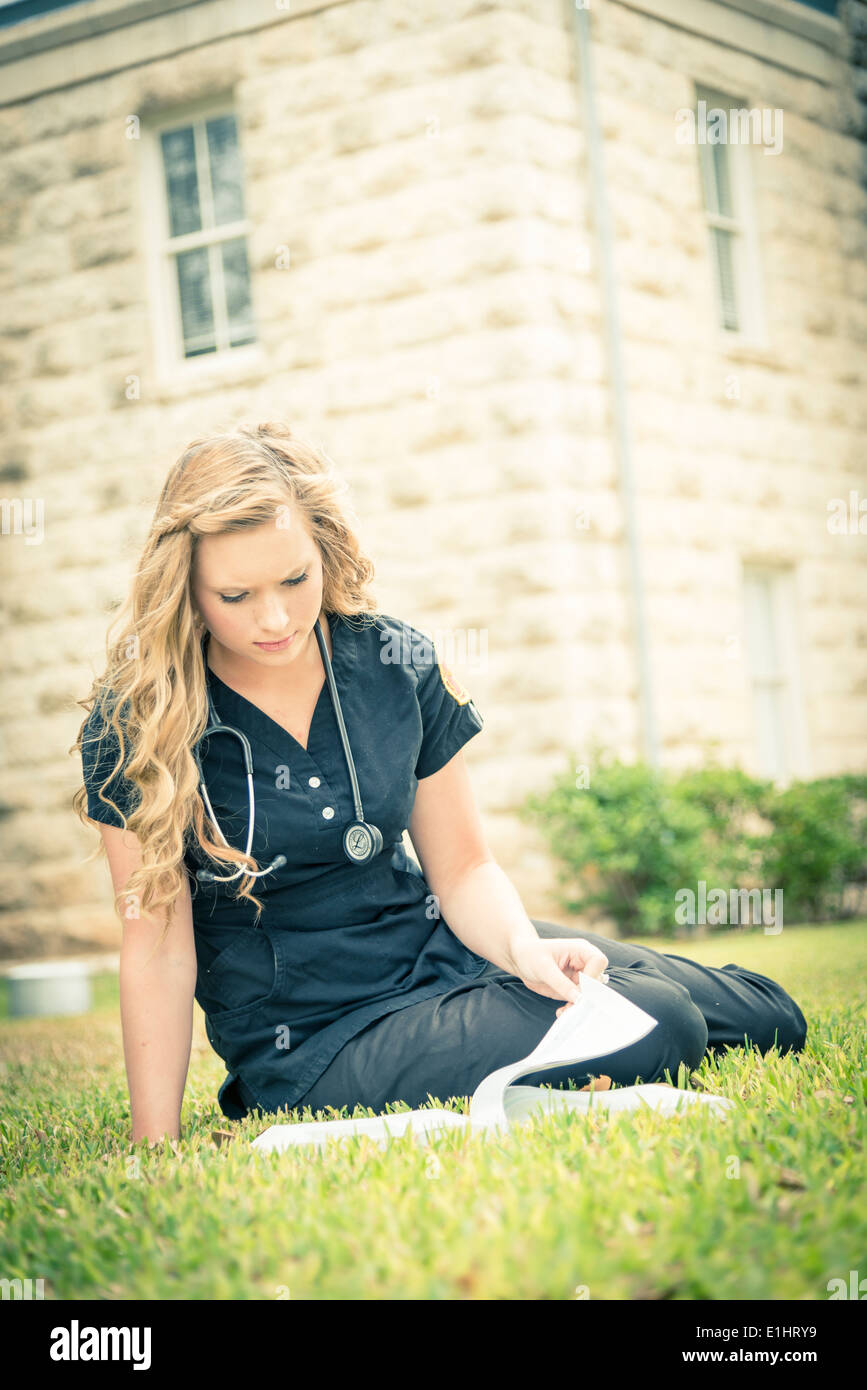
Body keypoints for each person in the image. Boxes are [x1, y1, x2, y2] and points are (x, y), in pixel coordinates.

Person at [73, 421, 808, 1142]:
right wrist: (154, 1144)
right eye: (235, 596)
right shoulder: (138, 720)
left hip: (441, 949)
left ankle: (536, 1028)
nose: (274, 617)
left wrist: (520, 951)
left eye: (295, 579)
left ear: (324, 547)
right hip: (318, 1038)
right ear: (186, 588)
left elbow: (462, 871)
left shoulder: (393, 661)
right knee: (662, 1021)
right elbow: (159, 945)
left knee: (765, 1015)